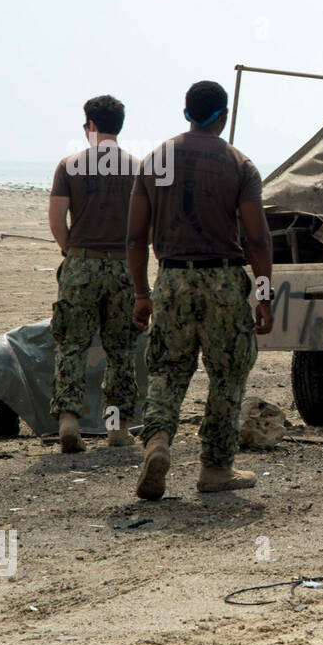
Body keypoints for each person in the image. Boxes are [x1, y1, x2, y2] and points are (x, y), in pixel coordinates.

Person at [126, 81, 274, 500]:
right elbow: (259, 240)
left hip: (171, 278)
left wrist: (141, 293)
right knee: (227, 375)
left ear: (186, 112)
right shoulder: (239, 165)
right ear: (223, 115)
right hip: (223, 281)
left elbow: (136, 237)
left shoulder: (156, 160)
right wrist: (264, 295)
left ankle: (157, 443)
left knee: (168, 371)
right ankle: (215, 468)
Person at [48, 95, 140, 453]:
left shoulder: (69, 166)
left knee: (72, 344)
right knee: (121, 348)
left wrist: (70, 250)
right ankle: (117, 428)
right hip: (123, 264)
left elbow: (57, 220)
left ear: (90, 126)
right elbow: (143, 225)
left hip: (81, 261)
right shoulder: (137, 167)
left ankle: (69, 420)